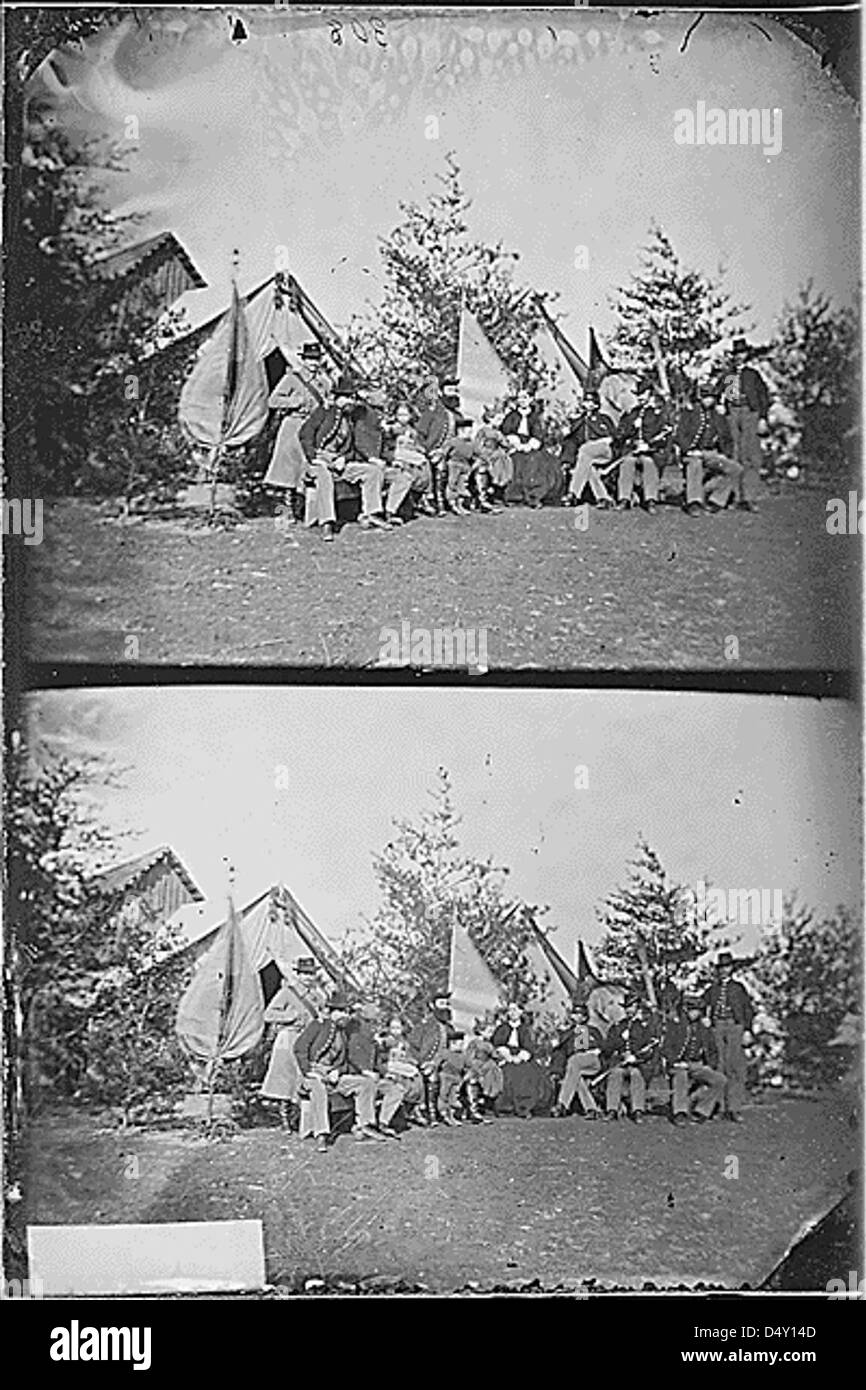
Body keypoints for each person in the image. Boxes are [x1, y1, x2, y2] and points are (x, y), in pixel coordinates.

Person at [298, 374, 391, 540]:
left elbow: (352, 447)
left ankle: (372, 513)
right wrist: (314, 457)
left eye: (351, 397)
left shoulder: (350, 419)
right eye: (345, 397)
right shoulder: (323, 412)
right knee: (324, 476)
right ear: (336, 397)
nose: (350, 401)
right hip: (317, 461)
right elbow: (305, 434)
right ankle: (326, 523)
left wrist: (344, 459)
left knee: (372, 471)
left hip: (338, 462)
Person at [294, 992, 385, 1151]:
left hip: (333, 1076)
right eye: (341, 1011)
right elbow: (299, 1048)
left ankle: (365, 1125)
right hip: (311, 1075)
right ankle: (321, 1134)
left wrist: (337, 1071)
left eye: (347, 1011)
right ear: (331, 1011)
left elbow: (345, 1061)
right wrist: (309, 1071)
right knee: (318, 1088)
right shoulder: (318, 1025)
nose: (345, 1015)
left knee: (366, 1084)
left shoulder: (343, 1032)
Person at [259, 959, 326, 1128]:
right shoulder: (287, 993)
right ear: (298, 974)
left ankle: (303, 1120)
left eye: (311, 973)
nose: (308, 978)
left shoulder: (317, 996)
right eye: (304, 973)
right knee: (285, 1079)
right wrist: (288, 1017)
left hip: (308, 1039)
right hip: (288, 1038)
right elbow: (268, 1014)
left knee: (304, 1077)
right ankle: (285, 1120)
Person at [263, 343, 325, 523]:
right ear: (303, 360)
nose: (313, 363)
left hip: (313, 428)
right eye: (310, 359)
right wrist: (293, 401)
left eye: (316, 359)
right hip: (293, 428)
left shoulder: (323, 382)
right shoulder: (292, 379)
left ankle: (306, 512)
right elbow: (272, 401)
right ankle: (283, 512)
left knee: (307, 470)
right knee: (286, 475)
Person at [702, 953, 756, 1122]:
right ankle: (718, 1107)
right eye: (721, 968)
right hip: (717, 1026)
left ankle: (733, 1108)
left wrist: (747, 1029)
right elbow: (701, 1005)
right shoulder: (713, 989)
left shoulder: (738, 988)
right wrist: (705, 1017)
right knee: (719, 1066)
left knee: (735, 1066)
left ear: (732, 968)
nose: (724, 971)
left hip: (734, 1026)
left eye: (727, 967)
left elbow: (747, 1009)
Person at [678, 384, 744, 515]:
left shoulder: (718, 416)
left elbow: (727, 438)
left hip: (711, 453)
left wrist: (725, 454)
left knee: (734, 469)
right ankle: (694, 502)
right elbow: (680, 435)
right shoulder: (690, 413)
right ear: (699, 398)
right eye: (705, 397)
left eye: (711, 397)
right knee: (694, 464)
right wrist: (689, 450)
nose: (708, 400)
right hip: (693, 453)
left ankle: (716, 500)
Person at [663, 994, 727, 1125]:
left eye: (698, 1011)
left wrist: (710, 1065)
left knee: (719, 1079)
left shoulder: (704, 1029)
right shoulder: (676, 1025)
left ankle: (701, 1110)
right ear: (686, 1010)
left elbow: (713, 1049)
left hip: (696, 1064)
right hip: (678, 1064)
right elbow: (666, 1048)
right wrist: (674, 1062)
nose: (695, 1014)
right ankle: (679, 1112)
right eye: (693, 1010)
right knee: (681, 1076)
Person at [722, 337, 770, 511]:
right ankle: (733, 496)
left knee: (750, 455)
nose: (739, 357)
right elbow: (719, 394)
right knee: (733, 454)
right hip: (732, 414)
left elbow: (764, 396)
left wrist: (763, 417)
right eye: (736, 354)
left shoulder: (753, 374)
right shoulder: (728, 375)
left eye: (742, 353)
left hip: (750, 413)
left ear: (747, 354)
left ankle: (749, 497)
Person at [613, 376, 673, 512]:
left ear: (650, 394)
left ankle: (650, 499)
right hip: (632, 451)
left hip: (650, 453)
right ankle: (624, 498)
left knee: (649, 463)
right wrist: (632, 428)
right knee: (627, 463)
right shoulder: (631, 414)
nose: (640, 397)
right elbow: (620, 435)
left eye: (643, 394)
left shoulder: (658, 414)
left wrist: (649, 446)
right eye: (638, 394)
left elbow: (664, 436)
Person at [602, 995, 664, 1122]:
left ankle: (638, 1110)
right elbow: (607, 1049)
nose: (629, 1010)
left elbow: (649, 1050)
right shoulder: (618, 1026)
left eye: (632, 1007)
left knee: (637, 1074)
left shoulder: (643, 1028)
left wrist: (635, 1058)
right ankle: (612, 1109)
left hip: (637, 1064)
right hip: (620, 1063)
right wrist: (619, 1039)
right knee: (615, 1074)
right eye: (627, 1007)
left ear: (637, 1009)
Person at [345, 1002, 404, 1137]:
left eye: (375, 1023)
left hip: (373, 1076)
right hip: (357, 1075)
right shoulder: (356, 1034)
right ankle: (365, 1124)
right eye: (372, 1022)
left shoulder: (373, 1040)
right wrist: (365, 1071)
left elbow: (376, 1062)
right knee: (368, 1085)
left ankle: (383, 1123)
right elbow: (352, 1057)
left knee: (396, 1089)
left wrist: (386, 1073)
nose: (374, 1027)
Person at [501, 390, 562, 508]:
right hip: (514, 445)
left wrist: (530, 445)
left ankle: (534, 496)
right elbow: (506, 431)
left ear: (530, 399)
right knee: (517, 460)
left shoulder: (535, 417)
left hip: (532, 445)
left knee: (540, 461)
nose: (522, 400)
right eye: (520, 398)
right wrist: (515, 443)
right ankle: (515, 496)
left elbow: (539, 435)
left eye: (525, 397)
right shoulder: (511, 416)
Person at [491, 1003, 551, 1118]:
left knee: (529, 1074)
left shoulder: (526, 1029)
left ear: (521, 1012)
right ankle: (505, 1107)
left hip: (522, 1057)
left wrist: (520, 1056)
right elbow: (496, 1044)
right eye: (510, 1010)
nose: (512, 1012)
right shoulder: (502, 1028)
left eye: (515, 1010)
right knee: (507, 1073)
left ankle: (524, 1107)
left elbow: (529, 1047)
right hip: (505, 1057)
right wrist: (506, 1055)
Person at [561, 392, 619, 508]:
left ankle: (574, 493)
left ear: (596, 405)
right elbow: (571, 441)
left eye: (591, 402)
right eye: (586, 401)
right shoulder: (579, 421)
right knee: (588, 465)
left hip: (604, 451)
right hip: (587, 454)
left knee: (585, 450)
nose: (587, 404)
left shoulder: (604, 418)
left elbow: (612, 438)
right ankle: (603, 498)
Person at [409, 991, 456, 1125]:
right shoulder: (424, 1025)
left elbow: (450, 1048)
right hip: (425, 1063)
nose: (445, 1007)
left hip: (444, 1062)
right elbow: (412, 1046)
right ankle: (430, 1114)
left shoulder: (448, 1027)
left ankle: (447, 1111)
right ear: (432, 1005)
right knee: (432, 1077)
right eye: (441, 1004)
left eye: (447, 1004)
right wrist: (421, 1062)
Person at [551, 1002, 605, 1117]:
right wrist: (556, 1070)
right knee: (575, 1075)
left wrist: (597, 1050)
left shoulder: (593, 1030)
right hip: (575, 1064)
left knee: (574, 1062)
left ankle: (563, 1104)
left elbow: (604, 1047)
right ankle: (591, 1109)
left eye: (580, 1014)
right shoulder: (567, 1034)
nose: (577, 1016)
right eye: (575, 1013)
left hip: (592, 1061)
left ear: (585, 1017)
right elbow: (560, 1053)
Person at [382, 403, 434, 520]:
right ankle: (421, 496)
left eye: (405, 415)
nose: (402, 417)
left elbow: (415, 445)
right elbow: (389, 443)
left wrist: (420, 449)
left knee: (424, 461)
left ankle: (425, 493)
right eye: (399, 414)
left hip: (408, 454)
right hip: (397, 454)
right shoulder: (393, 428)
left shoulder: (412, 430)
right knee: (413, 464)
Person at [416, 375, 459, 515]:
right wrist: (425, 450)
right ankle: (427, 500)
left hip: (441, 450)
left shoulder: (450, 415)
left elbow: (451, 436)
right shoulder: (426, 411)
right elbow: (419, 433)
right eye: (449, 389)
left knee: (443, 466)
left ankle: (442, 500)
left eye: (454, 390)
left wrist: (442, 450)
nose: (452, 393)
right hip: (423, 450)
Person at [439, 416, 483, 515]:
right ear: (460, 431)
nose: (470, 434)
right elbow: (444, 452)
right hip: (454, 464)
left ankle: (460, 505)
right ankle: (452, 503)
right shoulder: (453, 441)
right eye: (468, 432)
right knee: (452, 484)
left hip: (466, 465)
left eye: (471, 432)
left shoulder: (472, 443)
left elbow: (479, 455)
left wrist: (475, 465)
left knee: (462, 485)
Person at [462, 1018, 503, 1121]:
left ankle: (488, 1096)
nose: (491, 1034)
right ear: (481, 1031)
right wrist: (474, 1067)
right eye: (489, 1031)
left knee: (494, 1072)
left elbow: (494, 1055)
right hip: (476, 1065)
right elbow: (469, 1057)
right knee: (473, 1078)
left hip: (488, 1066)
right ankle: (473, 1108)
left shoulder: (489, 1044)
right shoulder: (475, 1043)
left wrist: (499, 1057)